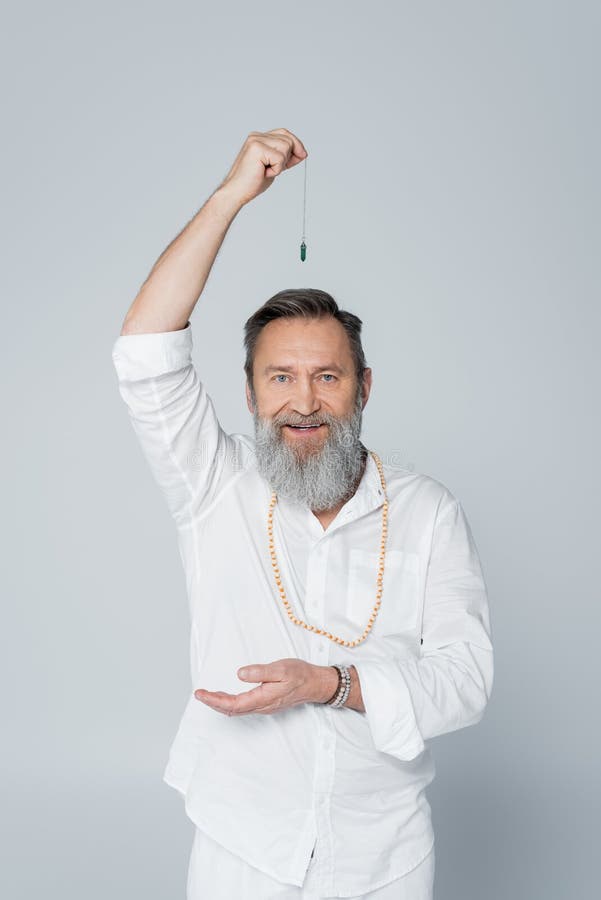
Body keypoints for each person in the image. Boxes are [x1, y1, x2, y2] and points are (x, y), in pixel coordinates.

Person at [111, 128, 494, 899]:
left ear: (363, 388)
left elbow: (465, 680)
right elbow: (146, 351)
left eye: (327, 376)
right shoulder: (213, 486)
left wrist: (332, 684)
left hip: (383, 852)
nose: (304, 400)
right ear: (250, 394)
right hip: (242, 844)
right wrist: (230, 197)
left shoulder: (426, 510)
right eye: (280, 376)